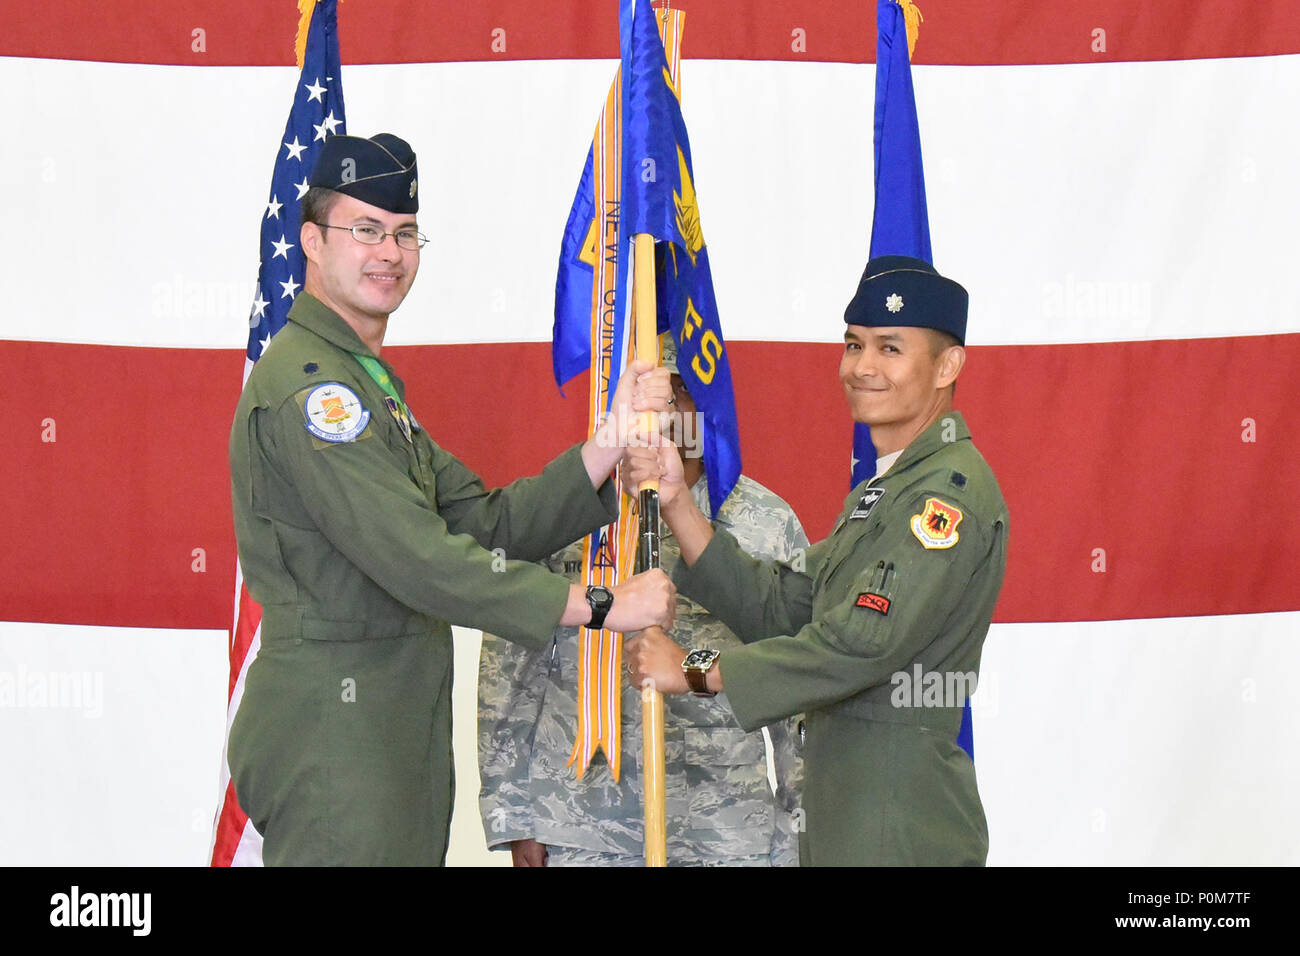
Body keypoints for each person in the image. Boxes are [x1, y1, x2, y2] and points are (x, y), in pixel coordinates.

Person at [227, 133, 676, 866]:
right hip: (337, 736)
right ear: (311, 240)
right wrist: (602, 606)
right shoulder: (318, 394)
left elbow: (483, 524)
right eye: (365, 229)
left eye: (405, 233)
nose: (389, 253)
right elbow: (421, 559)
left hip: (385, 729)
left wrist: (610, 438)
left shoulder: (368, 384)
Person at [625, 256, 1009, 866]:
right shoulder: (885, 490)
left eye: (890, 349)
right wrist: (677, 503)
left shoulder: (944, 495)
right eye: (854, 345)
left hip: (895, 825)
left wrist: (696, 669)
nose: (862, 368)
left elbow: (859, 643)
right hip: (848, 818)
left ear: (948, 365)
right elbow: (790, 607)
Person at [478, 336, 809, 866]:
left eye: (679, 389)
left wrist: (799, 827)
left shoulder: (764, 520)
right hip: (583, 819)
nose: (664, 407)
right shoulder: (569, 511)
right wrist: (514, 812)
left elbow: (797, 682)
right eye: (650, 390)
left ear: (709, 402)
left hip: (724, 826)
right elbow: (509, 666)